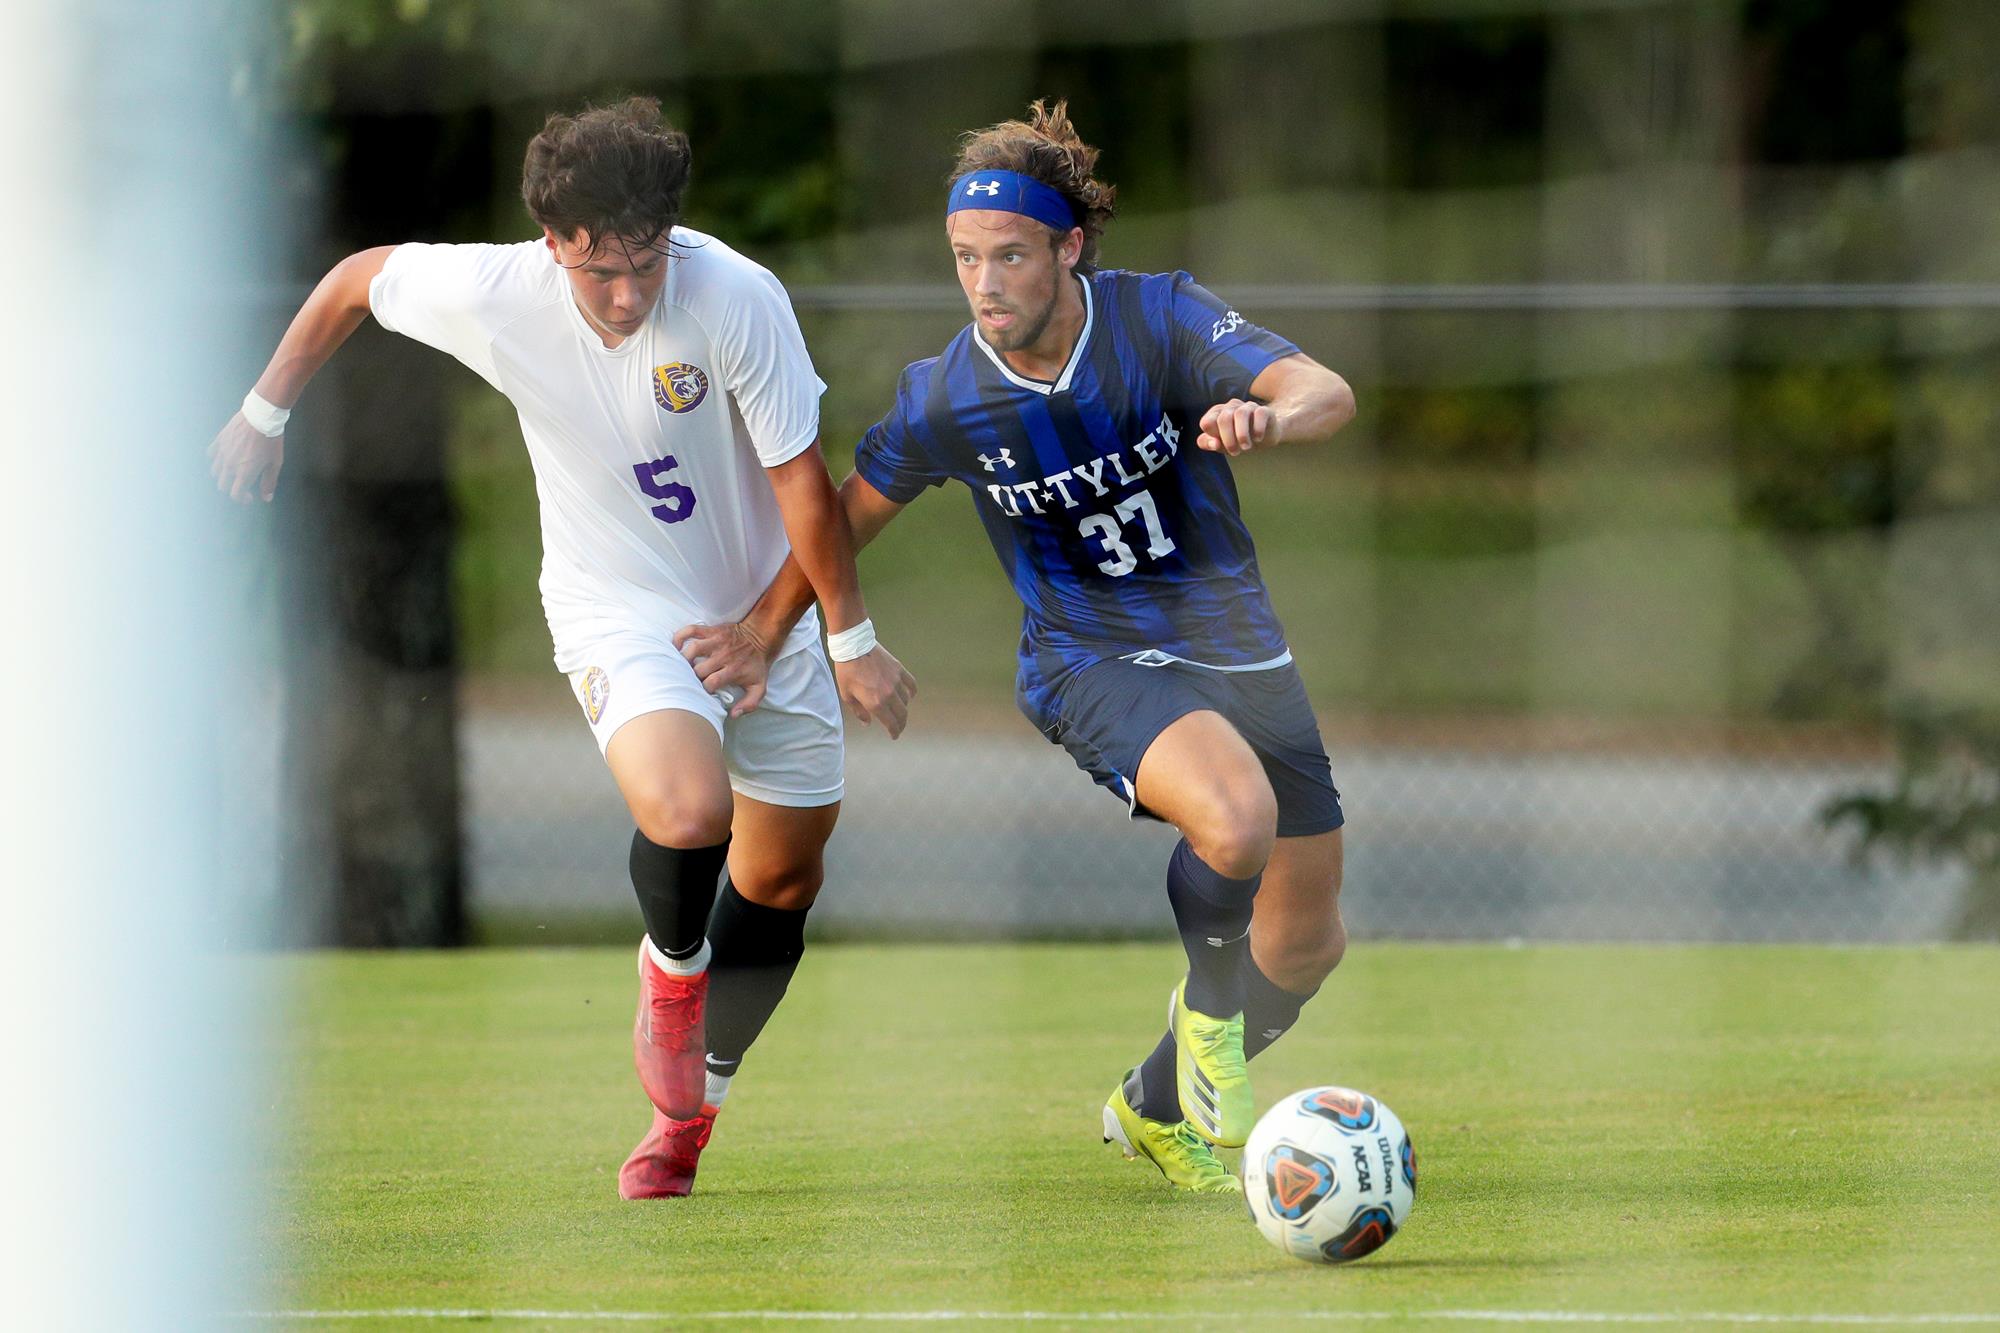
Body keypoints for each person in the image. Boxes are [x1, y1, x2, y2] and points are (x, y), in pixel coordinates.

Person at [207, 97, 913, 1199]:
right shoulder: (496, 294)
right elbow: (354, 277)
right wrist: (265, 411)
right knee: (687, 815)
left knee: (782, 875)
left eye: (645, 264)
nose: (627, 294)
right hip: (614, 602)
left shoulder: (735, 297)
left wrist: (844, 636)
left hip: (761, 614)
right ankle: (671, 974)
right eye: (599, 273)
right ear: (552, 245)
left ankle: (690, 1118)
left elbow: (803, 487)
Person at [691, 100, 1354, 1194]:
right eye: (963, 258)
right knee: (1234, 821)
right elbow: (843, 515)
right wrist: (769, 634)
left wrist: (1268, 418)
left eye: (1008, 255)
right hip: (1087, 661)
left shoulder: (1158, 321)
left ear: (1068, 247)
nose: (984, 283)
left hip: (1242, 651)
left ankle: (1146, 1105)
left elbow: (1320, 388)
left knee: (1306, 942)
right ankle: (1210, 1023)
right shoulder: (948, 393)